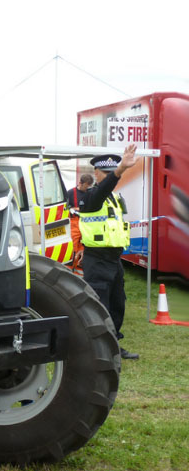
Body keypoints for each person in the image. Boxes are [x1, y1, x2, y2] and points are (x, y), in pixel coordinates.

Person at [79, 144, 139, 360]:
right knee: (100, 306)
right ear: (96, 174)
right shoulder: (92, 196)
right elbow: (106, 186)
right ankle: (100, 350)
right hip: (97, 259)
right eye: (107, 173)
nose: (114, 179)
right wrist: (121, 169)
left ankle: (113, 345)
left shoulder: (113, 198)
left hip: (114, 260)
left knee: (117, 304)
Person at [67, 173, 94, 272]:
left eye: (89, 186)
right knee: (73, 248)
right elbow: (65, 208)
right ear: (80, 183)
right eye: (86, 186)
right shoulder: (70, 193)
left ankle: (82, 269)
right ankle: (71, 269)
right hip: (74, 224)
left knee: (85, 247)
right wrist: (74, 209)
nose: (87, 188)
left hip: (86, 224)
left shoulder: (90, 193)